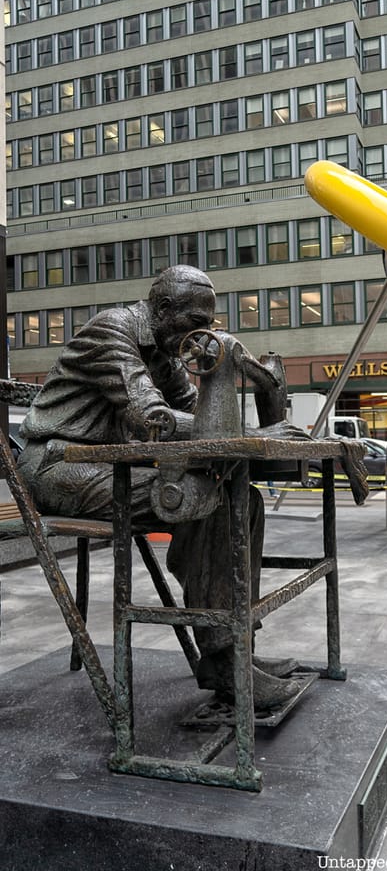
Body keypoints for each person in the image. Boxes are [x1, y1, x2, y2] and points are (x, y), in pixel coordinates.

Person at [16, 265, 315, 711]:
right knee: (210, 502)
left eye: (207, 325)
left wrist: (241, 428)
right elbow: (152, 418)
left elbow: (195, 412)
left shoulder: (167, 353)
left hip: (106, 466)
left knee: (243, 499)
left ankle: (235, 646)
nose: (202, 334)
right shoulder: (111, 331)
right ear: (162, 309)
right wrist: (247, 435)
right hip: (59, 468)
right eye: (195, 323)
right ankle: (224, 658)